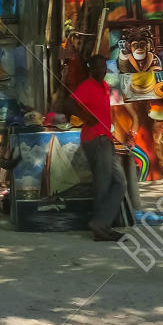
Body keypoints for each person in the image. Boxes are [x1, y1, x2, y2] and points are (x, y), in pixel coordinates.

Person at [65, 54, 126, 241]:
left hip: (105, 138)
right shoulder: (87, 86)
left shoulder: (105, 86)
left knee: (119, 182)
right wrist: (85, 117)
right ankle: (100, 227)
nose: (101, 70)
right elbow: (69, 103)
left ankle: (102, 223)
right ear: (91, 68)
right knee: (104, 184)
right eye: (98, 67)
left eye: (103, 67)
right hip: (95, 139)